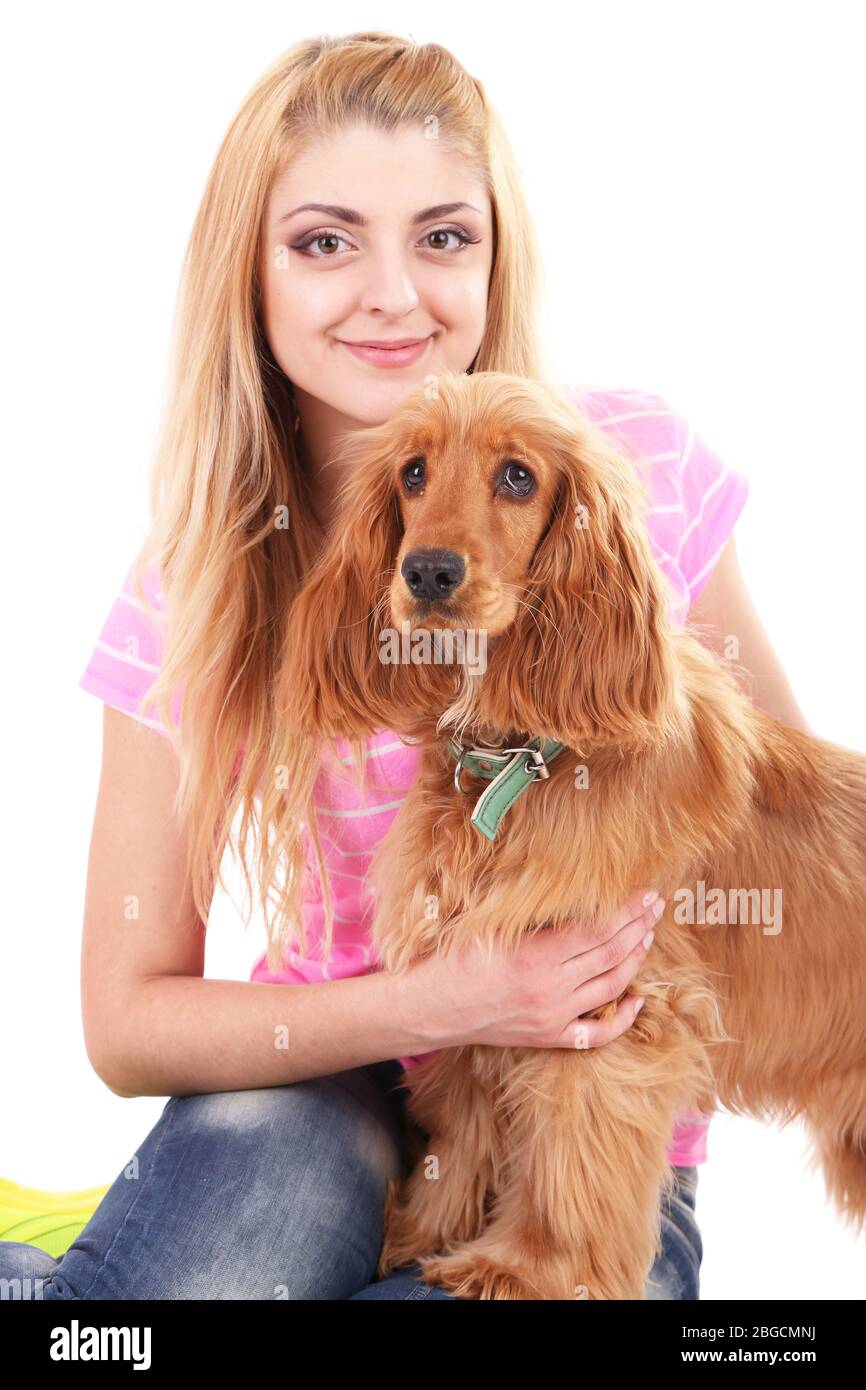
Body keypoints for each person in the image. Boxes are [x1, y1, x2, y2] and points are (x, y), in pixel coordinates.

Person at [0, 30, 810, 1301]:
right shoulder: (197, 581)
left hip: (588, 1147)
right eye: (326, 242)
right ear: (249, 275)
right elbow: (124, 1022)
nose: (394, 295)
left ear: (493, 256)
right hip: (325, 1088)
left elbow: (781, 834)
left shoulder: (631, 465)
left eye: (442, 238)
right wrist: (448, 1002)